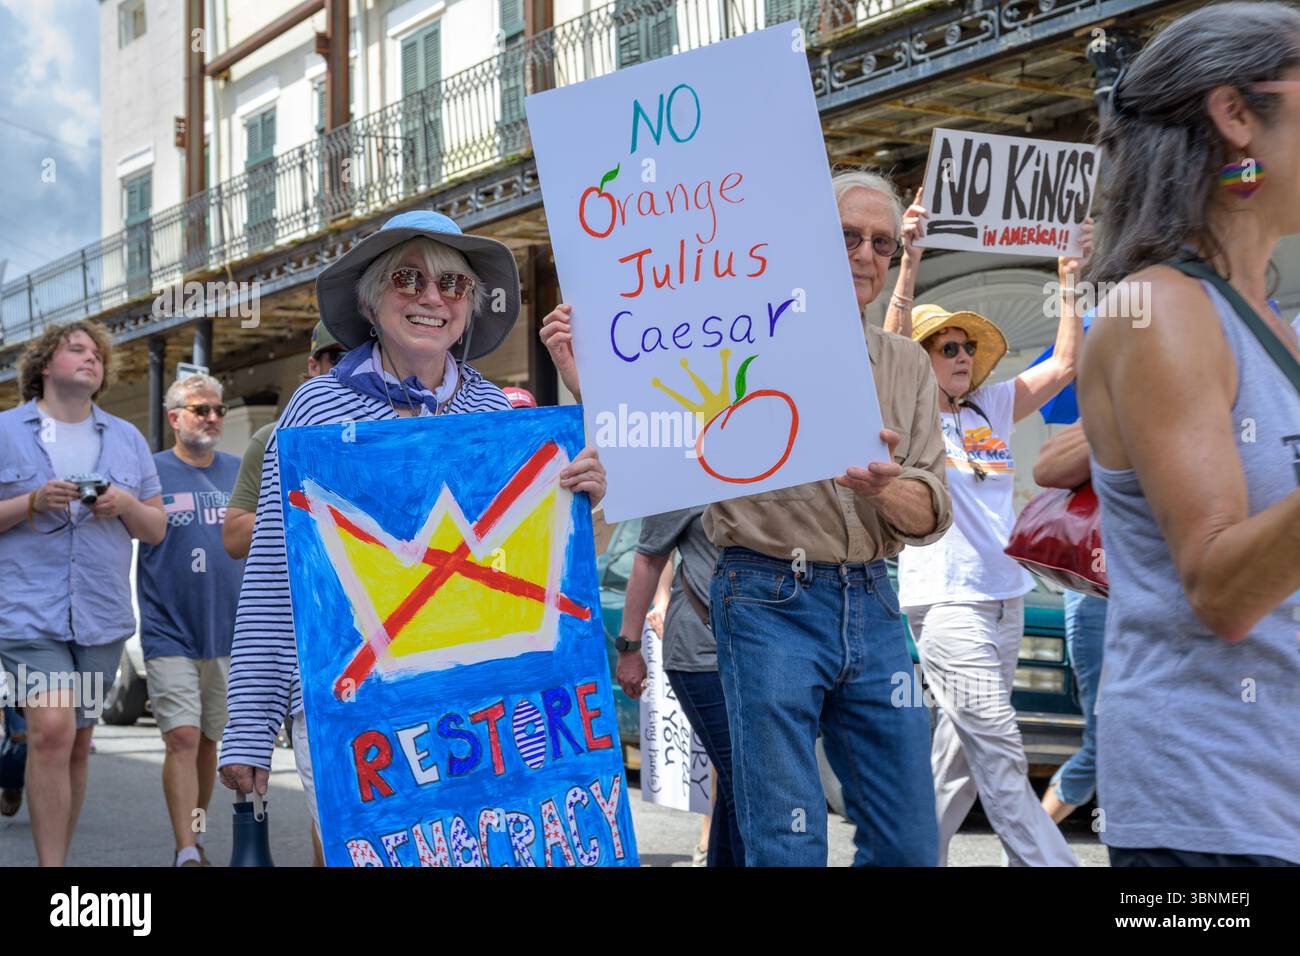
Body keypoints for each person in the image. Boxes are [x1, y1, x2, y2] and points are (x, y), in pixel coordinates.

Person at [546, 168, 953, 866]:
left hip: (874, 600)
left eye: (882, 243)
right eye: (847, 235)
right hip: (766, 597)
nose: (865, 254)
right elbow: (658, 443)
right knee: (786, 841)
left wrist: (885, 488)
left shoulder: (907, 363)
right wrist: (591, 379)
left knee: (913, 843)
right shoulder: (733, 337)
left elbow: (930, 511)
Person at [216, 211, 607, 862]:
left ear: (469, 309)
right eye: (408, 278)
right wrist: (250, 727)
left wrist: (587, 493)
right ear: (371, 303)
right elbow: (273, 584)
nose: (432, 298)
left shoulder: (499, 417)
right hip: (354, 707)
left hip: (481, 702)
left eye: (453, 286)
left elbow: (537, 569)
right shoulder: (317, 412)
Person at [1079, 1, 1300, 866]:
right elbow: (1222, 590)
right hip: (1210, 819)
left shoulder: (1269, 322)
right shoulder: (1160, 311)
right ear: (1237, 115)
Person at [893, 215, 1090, 866]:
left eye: (964, 346)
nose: (960, 356)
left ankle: (910, 857)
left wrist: (1069, 280)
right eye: (944, 347)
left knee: (957, 762)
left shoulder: (991, 406)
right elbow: (886, 347)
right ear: (919, 360)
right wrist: (909, 260)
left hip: (1003, 601)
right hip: (947, 606)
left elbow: (1064, 364)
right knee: (1002, 752)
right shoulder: (900, 411)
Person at [0, 321, 166, 866]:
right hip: (27, 614)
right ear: (46, 364)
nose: (91, 358)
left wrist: (125, 505)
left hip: (100, 616)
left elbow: (156, 528)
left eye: (97, 353)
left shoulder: (126, 438)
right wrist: (31, 503)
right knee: (50, 727)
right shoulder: (6, 431)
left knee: (75, 740)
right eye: (77, 349)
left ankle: (59, 864)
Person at [137, 373, 245, 866]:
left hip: (227, 630)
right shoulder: (149, 472)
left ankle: (195, 833)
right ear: (174, 417)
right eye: (202, 410)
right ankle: (186, 850)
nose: (213, 418)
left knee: (207, 742)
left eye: (218, 409)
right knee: (181, 736)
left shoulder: (238, 471)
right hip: (169, 630)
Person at [1029, 421, 1107, 825]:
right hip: (1099, 593)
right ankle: (1032, 847)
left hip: (1160, 597)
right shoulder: (1117, 405)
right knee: (1103, 742)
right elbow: (1047, 470)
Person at [222, 321, 345, 561]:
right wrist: (308, 507)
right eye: (338, 358)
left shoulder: (387, 434)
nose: (350, 367)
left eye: (361, 356)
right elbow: (234, 539)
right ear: (313, 365)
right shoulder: (272, 438)